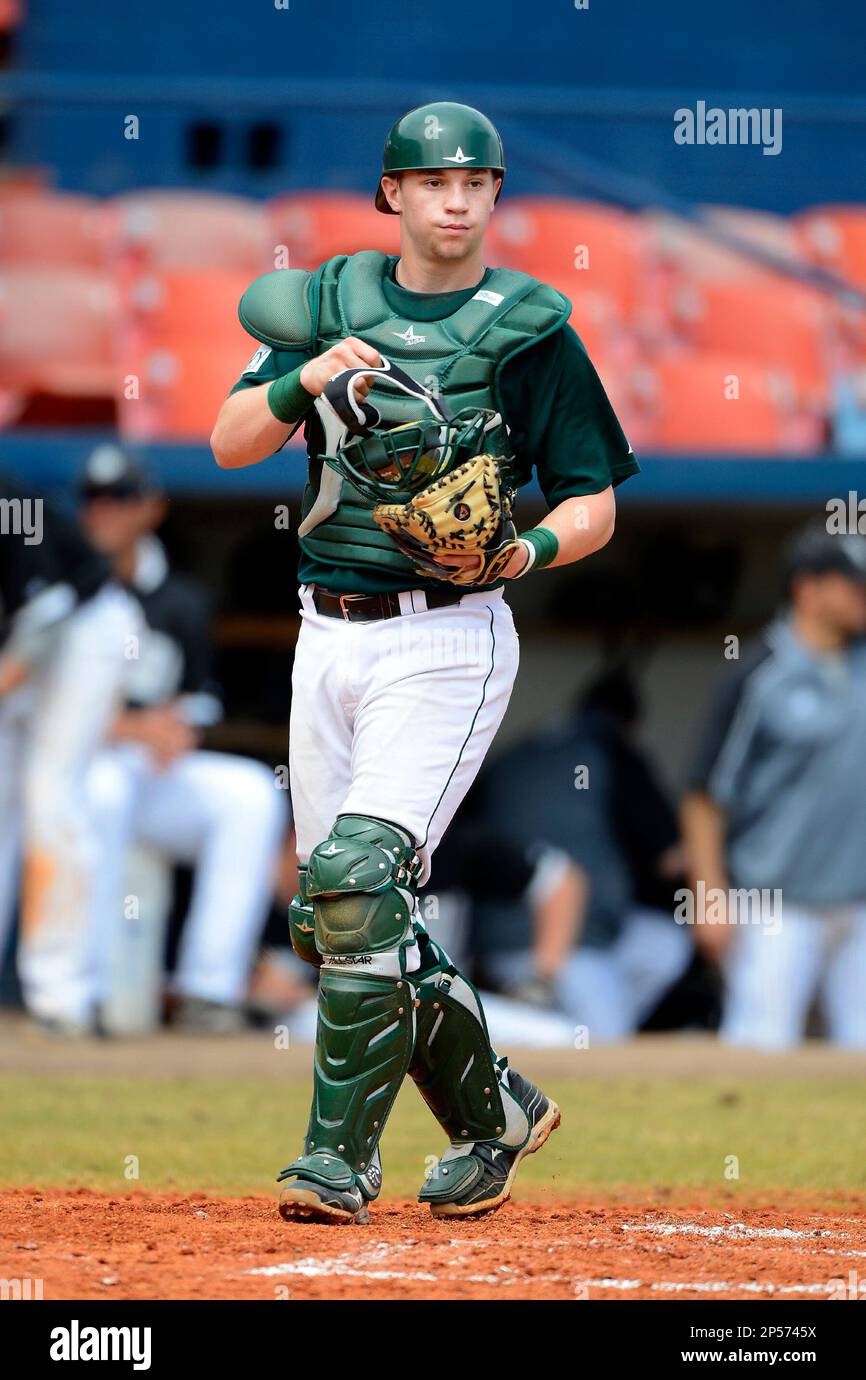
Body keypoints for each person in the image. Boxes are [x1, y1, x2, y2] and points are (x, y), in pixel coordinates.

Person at [212, 101, 638, 1223]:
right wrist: (303, 379)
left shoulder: (530, 326)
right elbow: (226, 441)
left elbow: (592, 498)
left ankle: (333, 1163)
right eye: (432, 181)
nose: (455, 199)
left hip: (447, 633)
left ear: (494, 198)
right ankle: (491, 1105)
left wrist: (526, 545)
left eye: (475, 183)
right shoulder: (330, 303)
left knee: (357, 875)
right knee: (333, 914)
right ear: (391, 194)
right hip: (324, 628)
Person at [77, 446, 288, 1033]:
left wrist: (175, 727)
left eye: (120, 499)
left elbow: (200, 695)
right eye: (93, 500)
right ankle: (82, 993)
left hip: (150, 770)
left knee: (248, 794)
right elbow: (40, 706)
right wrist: (125, 726)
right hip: (77, 767)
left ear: (151, 508)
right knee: (105, 789)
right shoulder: (68, 585)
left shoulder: (183, 599)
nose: (104, 513)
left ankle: (207, 990)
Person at [681, 524, 866, 1051]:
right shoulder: (760, 672)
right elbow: (704, 795)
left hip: (859, 901)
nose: (862, 595)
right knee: (760, 1052)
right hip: (776, 903)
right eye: (852, 584)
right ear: (808, 589)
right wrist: (709, 894)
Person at [471, 666, 692, 1039]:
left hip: (490, 943)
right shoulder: (609, 751)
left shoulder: (511, 756)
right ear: (631, 723)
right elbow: (668, 858)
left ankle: (554, 1026)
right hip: (568, 943)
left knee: (660, 944)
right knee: (604, 1044)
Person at [0, 468, 140, 1033]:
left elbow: (46, 613)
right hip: (30, 641)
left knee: (52, 794)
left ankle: (63, 994)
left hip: (86, 629)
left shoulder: (9, 500)